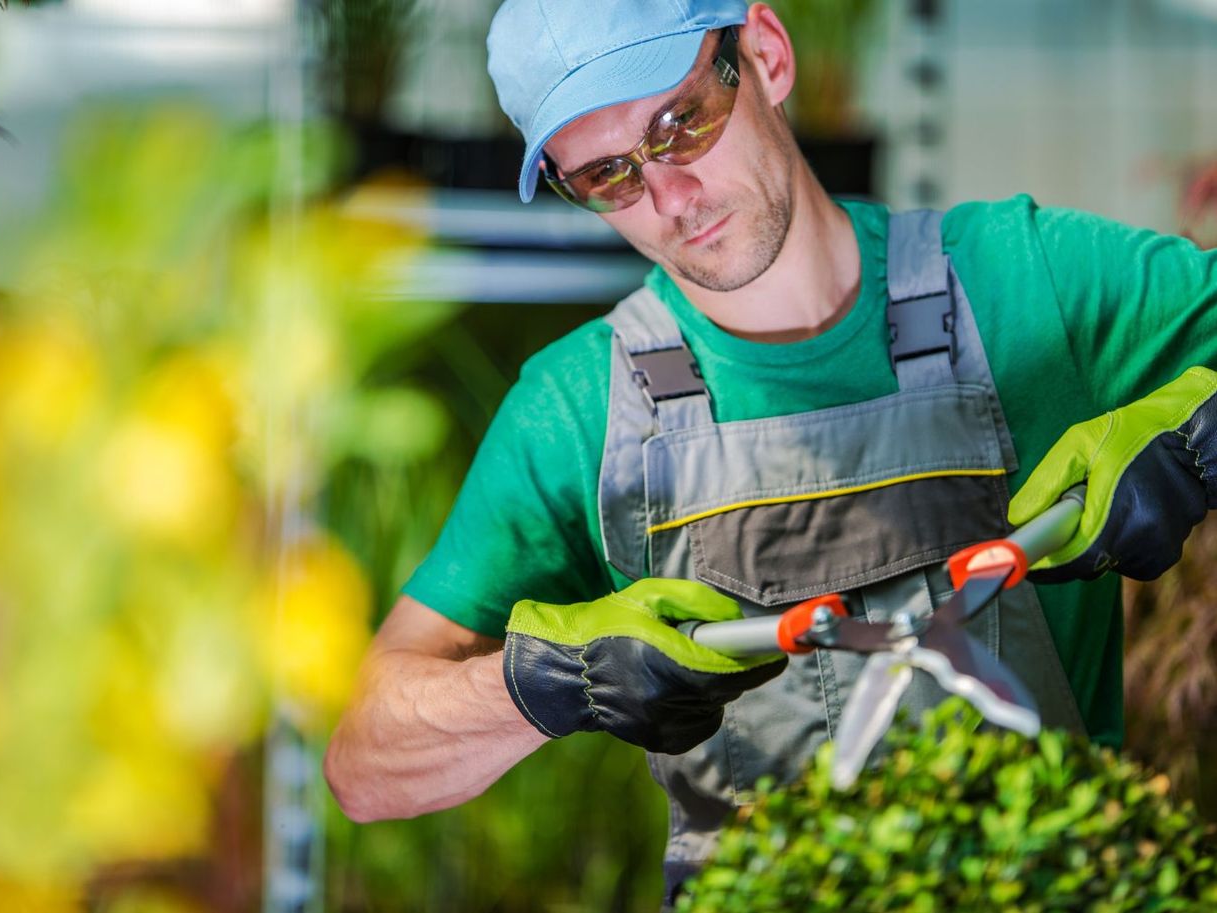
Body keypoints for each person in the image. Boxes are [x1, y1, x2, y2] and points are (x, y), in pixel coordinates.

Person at [324, 0, 1217, 902]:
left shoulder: (1025, 282)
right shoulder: (577, 410)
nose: (672, 198)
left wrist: (1199, 427)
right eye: (608, 176)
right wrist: (550, 684)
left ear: (766, 54)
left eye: (680, 125)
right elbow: (363, 762)